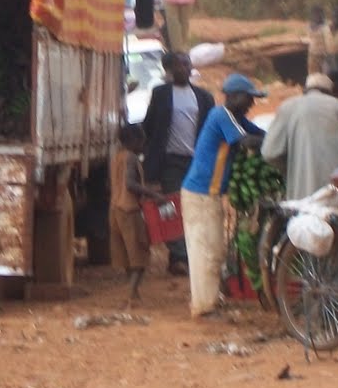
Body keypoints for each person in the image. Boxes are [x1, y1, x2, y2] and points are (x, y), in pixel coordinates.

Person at [179, 73, 265, 319]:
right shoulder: (221, 115)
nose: (252, 104)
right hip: (201, 193)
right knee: (205, 251)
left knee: (214, 250)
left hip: (211, 194)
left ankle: (211, 299)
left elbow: (261, 134)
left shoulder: (237, 118)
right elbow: (247, 141)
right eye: (248, 98)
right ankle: (203, 308)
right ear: (234, 97)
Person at [142, 51, 214, 275]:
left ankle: (192, 255)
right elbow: (149, 127)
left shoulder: (204, 97)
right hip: (170, 161)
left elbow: (210, 130)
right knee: (171, 208)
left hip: (195, 161)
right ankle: (179, 257)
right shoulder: (161, 94)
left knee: (194, 208)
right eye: (178, 64)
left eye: (186, 63)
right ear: (170, 69)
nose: (183, 68)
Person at [262, 73, 338, 201]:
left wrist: (290, 168)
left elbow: (269, 153)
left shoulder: (287, 107)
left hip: (302, 195)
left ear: (305, 90)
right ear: (331, 91)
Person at [111, 123, 165, 307]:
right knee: (139, 253)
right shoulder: (131, 158)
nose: (143, 145)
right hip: (129, 210)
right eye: (141, 141)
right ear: (133, 141)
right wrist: (154, 195)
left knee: (127, 254)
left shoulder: (117, 157)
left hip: (115, 209)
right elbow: (130, 184)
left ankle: (133, 292)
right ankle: (131, 293)